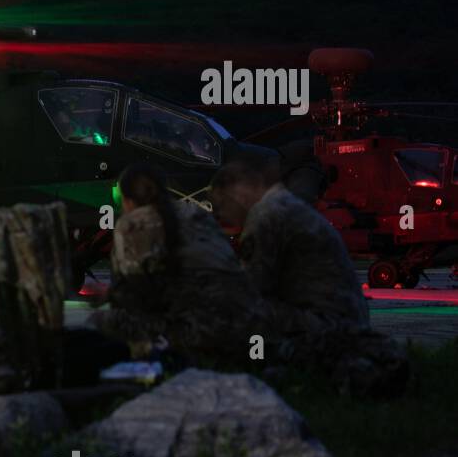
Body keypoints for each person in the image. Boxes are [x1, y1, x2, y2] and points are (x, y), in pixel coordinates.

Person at [89, 163, 266, 367]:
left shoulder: (132, 224)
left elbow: (131, 294)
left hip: (197, 333)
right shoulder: (197, 213)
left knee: (100, 322)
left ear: (127, 201)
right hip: (246, 325)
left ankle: (147, 367)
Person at [210, 156, 367, 337]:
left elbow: (252, 289)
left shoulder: (265, 216)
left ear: (238, 194)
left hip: (326, 329)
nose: (222, 215)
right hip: (345, 323)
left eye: (221, 205)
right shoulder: (284, 204)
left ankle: (256, 360)